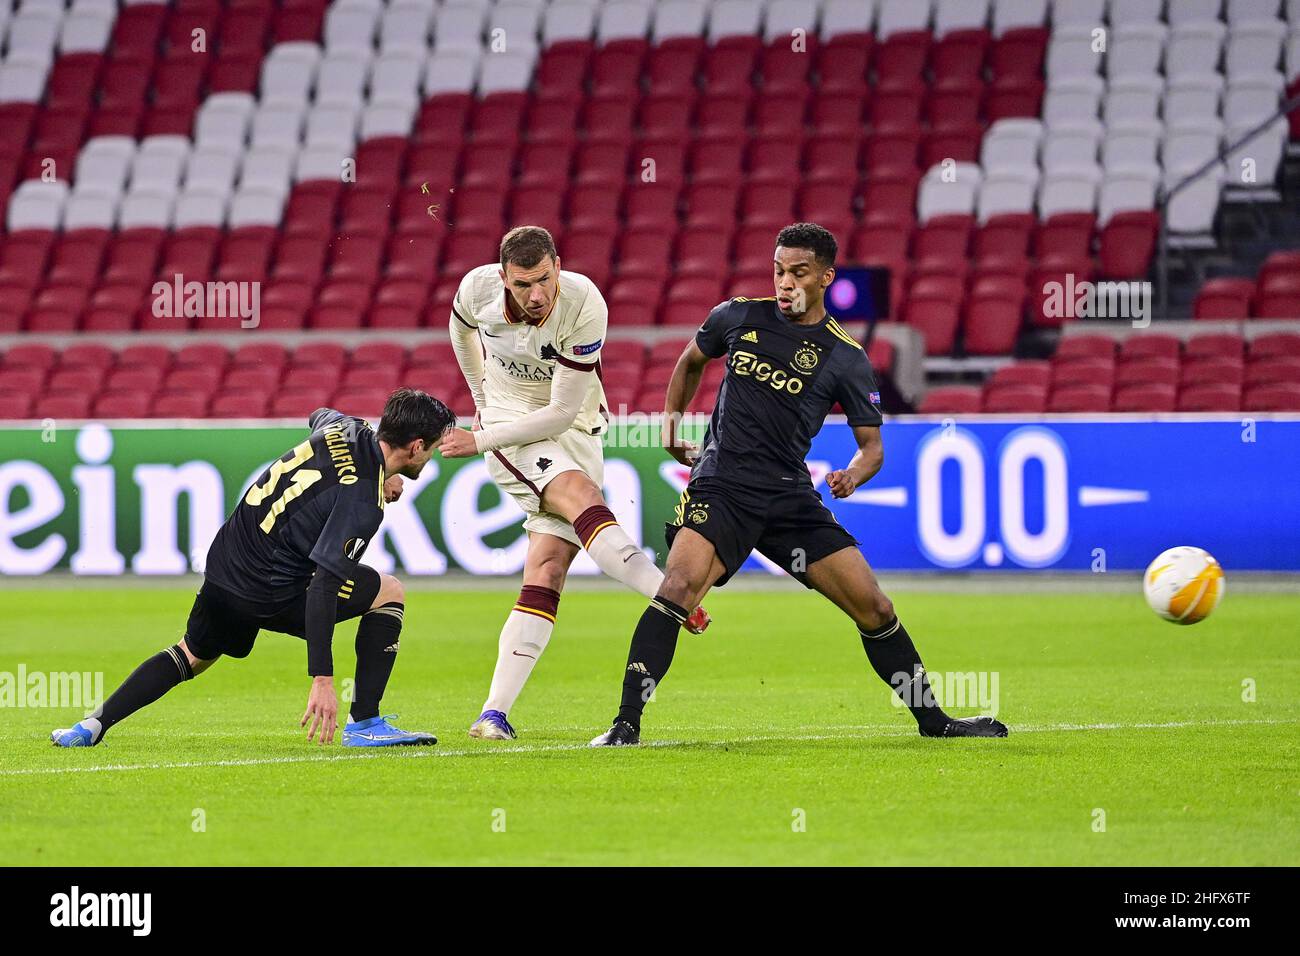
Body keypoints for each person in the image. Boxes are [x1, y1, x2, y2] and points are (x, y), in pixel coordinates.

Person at [589, 223, 1009, 746]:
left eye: (799, 273)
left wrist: (852, 474)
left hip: (789, 496)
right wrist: (672, 427)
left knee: (875, 608)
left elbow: (873, 448)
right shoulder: (739, 315)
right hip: (722, 484)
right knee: (676, 589)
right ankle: (624, 725)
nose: (785, 283)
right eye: (779, 271)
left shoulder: (845, 357)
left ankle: (935, 722)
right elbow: (690, 361)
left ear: (826, 277)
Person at [52, 388, 455, 748]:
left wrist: (378, 473)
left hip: (226, 566)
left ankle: (92, 724)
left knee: (192, 653)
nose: (431, 455)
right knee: (389, 592)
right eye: (433, 448)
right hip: (271, 590)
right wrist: (323, 679)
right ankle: (365, 721)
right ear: (416, 446)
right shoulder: (363, 504)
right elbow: (323, 587)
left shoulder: (346, 427)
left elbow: (319, 414)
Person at [441, 225, 710, 741]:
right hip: (509, 426)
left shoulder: (585, 303)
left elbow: (562, 413)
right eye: (522, 285)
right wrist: (484, 411)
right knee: (583, 499)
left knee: (548, 569)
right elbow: (460, 330)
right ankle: (672, 598)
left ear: (558, 266)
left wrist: (479, 437)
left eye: (544, 279)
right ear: (503, 278)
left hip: (574, 427)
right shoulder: (477, 290)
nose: (536, 294)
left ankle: (492, 715)